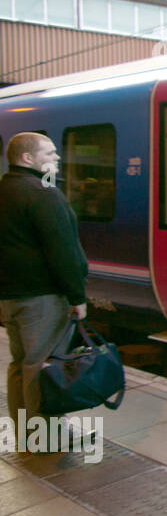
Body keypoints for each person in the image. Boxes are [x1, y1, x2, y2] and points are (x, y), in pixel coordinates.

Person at [0, 132, 88, 452]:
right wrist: (77, 296)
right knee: (41, 368)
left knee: (19, 364)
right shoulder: (44, 192)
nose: (57, 158)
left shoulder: (4, 189)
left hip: (10, 298)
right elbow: (62, 251)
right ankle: (45, 438)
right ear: (27, 158)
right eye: (49, 154)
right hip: (42, 297)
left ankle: (26, 432)